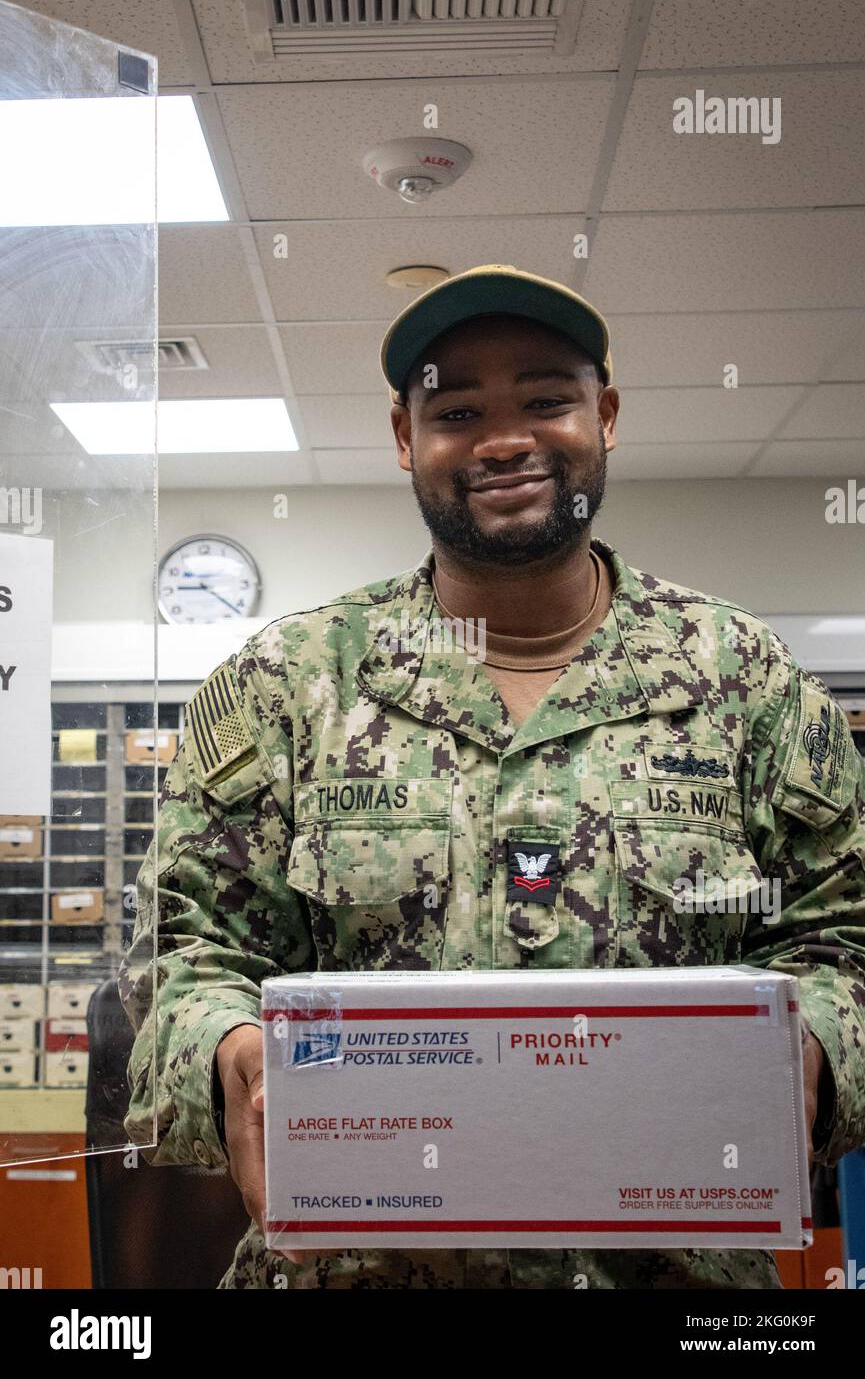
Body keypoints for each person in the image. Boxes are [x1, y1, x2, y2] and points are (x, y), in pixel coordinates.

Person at [120, 264, 865, 1289]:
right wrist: (229, 1047)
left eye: (546, 400)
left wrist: (812, 1049)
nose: (504, 438)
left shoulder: (748, 681)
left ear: (603, 415)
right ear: (403, 439)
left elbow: (840, 934)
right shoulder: (286, 684)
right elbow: (181, 946)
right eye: (457, 409)